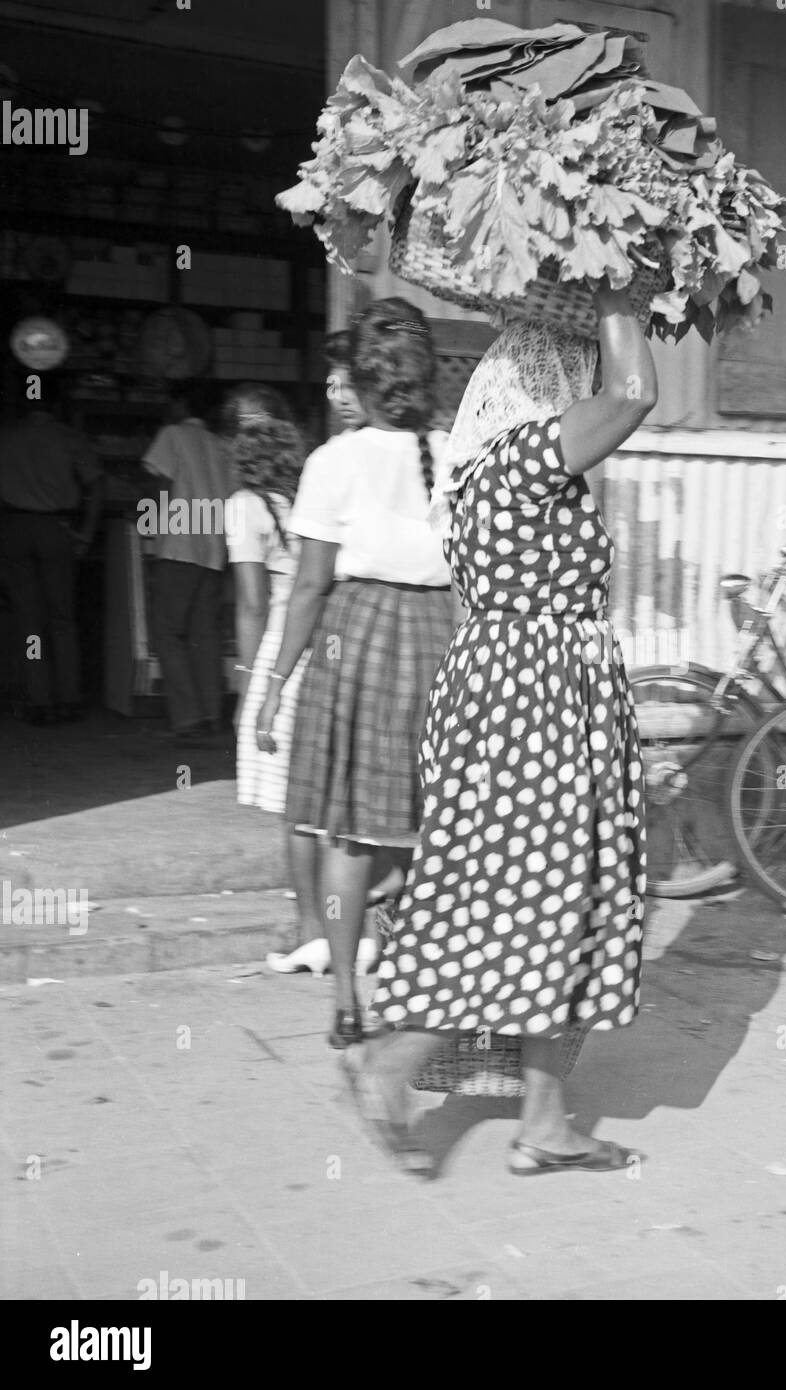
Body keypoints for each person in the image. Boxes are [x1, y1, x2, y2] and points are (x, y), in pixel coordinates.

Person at [347, 285, 656, 1177]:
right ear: (544, 382)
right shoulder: (527, 454)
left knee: (561, 901)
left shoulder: (475, 469)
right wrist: (624, 295)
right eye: (574, 379)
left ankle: (545, 1121)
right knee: (523, 904)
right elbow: (636, 392)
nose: (586, 395)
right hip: (539, 705)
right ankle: (390, 1066)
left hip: (514, 694)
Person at [255, 298, 454, 1047]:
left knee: (347, 837)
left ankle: (346, 1000)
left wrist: (274, 685)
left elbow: (307, 587)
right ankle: (418, 987)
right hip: (441, 639)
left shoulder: (332, 461)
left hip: (355, 643)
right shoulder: (456, 453)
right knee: (430, 830)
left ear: (362, 383)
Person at [224, 384, 380, 979]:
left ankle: (313, 931)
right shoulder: (310, 497)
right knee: (335, 800)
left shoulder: (245, 507)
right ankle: (356, 930)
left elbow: (250, 604)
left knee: (293, 809)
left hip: (283, 655)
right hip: (337, 651)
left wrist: (250, 683)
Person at [0, 377, 105, 725]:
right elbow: (96, 484)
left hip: (15, 529)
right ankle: (70, 699)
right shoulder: (69, 438)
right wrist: (87, 532)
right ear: (56, 403)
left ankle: (40, 701)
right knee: (62, 619)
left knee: (30, 621)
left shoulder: (7, 437)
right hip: (57, 530)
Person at [142, 384, 234, 744]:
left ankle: (187, 718)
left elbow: (161, 485)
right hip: (213, 549)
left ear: (181, 403)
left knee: (168, 631)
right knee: (204, 634)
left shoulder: (172, 434)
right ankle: (211, 714)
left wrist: (149, 523)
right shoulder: (221, 445)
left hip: (179, 544)